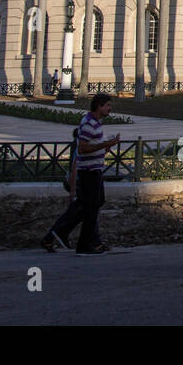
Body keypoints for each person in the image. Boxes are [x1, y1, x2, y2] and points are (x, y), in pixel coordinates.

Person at [42, 94, 121, 254]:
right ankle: (84, 244)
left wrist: (106, 146)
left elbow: (92, 146)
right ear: (99, 106)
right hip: (89, 172)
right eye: (107, 105)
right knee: (89, 208)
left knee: (93, 205)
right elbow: (83, 149)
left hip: (95, 170)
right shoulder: (88, 124)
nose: (109, 108)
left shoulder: (96, 123)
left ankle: (63, 234)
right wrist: (106, 144)